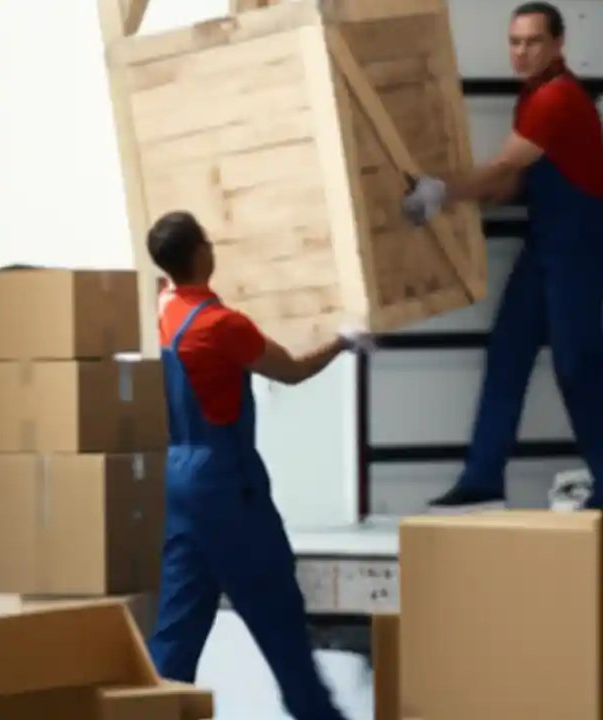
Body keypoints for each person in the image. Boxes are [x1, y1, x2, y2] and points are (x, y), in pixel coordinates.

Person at [145, 211, 367, 720]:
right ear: (201, 254)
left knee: (179, 621)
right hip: (226, 481)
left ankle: (146, 711)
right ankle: (319, 714)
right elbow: (292, 371)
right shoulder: (222, 326)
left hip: (179, 475)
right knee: (275, 604)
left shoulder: (166, 312)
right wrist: (343, 340)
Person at [402, 1, 603, 512]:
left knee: (577, 365)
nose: (521, 51)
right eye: (514, 42)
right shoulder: (532, 96)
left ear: (559, 44)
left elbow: (500, 168)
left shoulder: (556, 98)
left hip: (579, 247)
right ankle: (483, 475)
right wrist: (464, 196)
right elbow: (512, 182)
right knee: (508, 352)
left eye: (533, 41)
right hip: (546, 243)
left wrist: (441, 191)